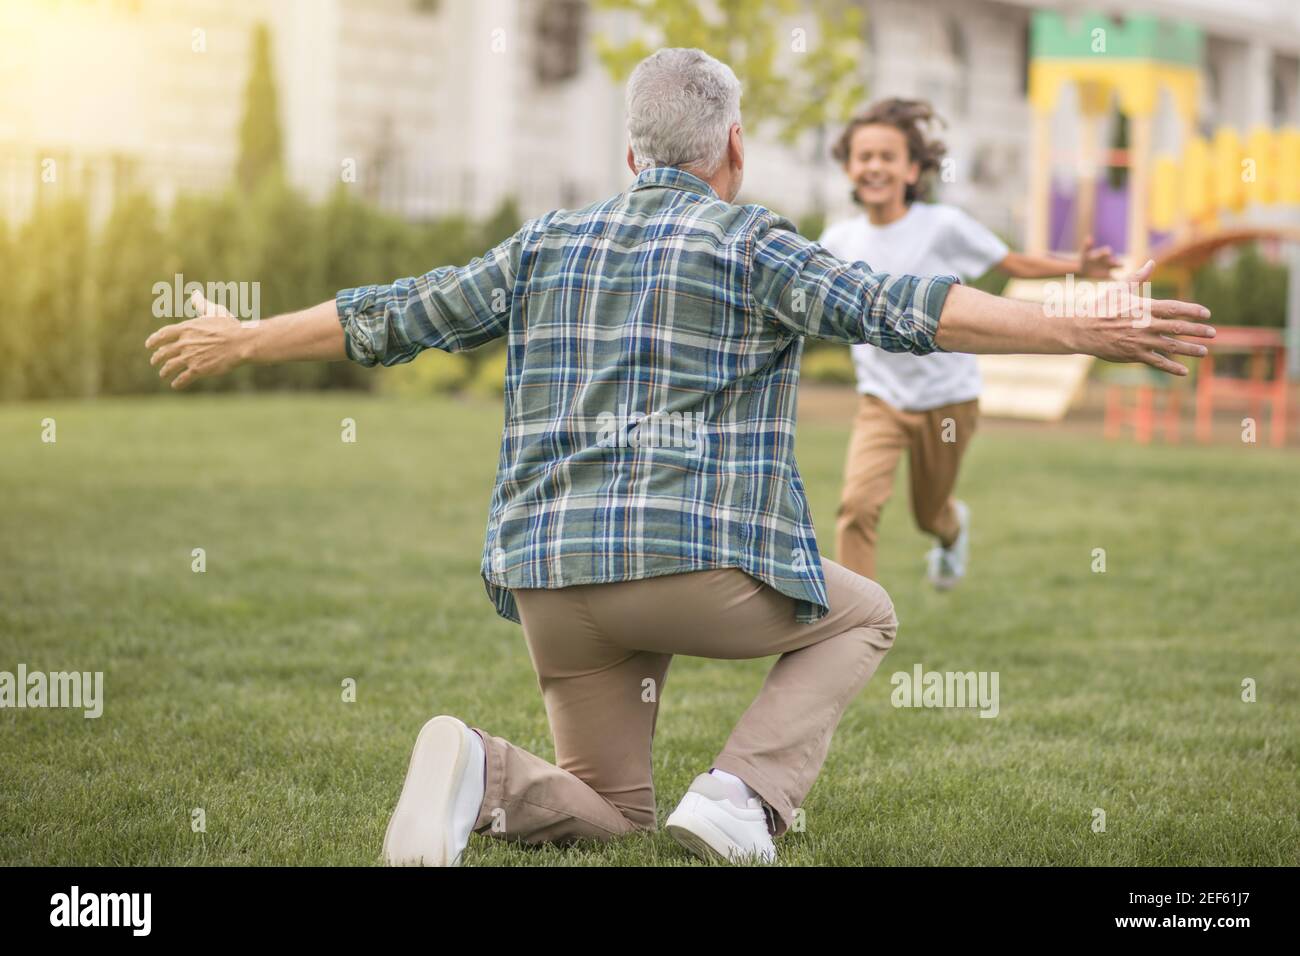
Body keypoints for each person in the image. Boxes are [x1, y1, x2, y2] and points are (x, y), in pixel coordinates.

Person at [144, 49, 1213, 866]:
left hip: (549, 581)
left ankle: (479, 769)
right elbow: (909, 309)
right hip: (694, 574)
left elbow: (397, 313)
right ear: (733, 150)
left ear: (630, 156)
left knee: (610, 810)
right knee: (866, 610)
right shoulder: (754, 243)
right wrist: (1084, 325)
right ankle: (743, 793)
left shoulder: (545, 241)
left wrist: (242, 336)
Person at [820, 98, 1123, 590]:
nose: (874, 166)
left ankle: (951, 529)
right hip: (882, 399)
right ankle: (857, 619)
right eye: (864, 156)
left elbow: (1012, 263)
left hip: (948, 401)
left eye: (887, 156)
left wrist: (1079, 268)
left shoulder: (943, 225)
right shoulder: (837, 239)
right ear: (849, 167)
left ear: (913, 169)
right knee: (856, 506)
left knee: (928, 513)